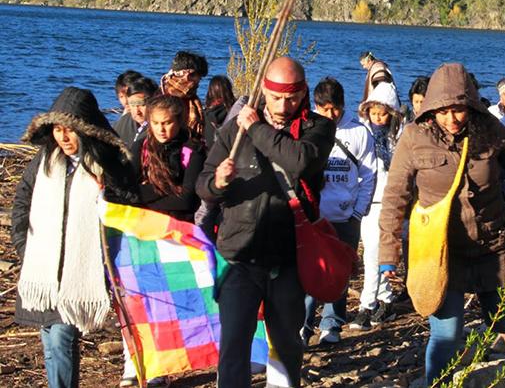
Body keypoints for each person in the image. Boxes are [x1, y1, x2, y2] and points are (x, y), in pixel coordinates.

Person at [378, 63, 505, 386]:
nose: (453, 119)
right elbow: (394, 197)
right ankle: (437, 383)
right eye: (444, 111)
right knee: (446, 335)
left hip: (493, 248)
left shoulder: (489, 128)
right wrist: (389, 253)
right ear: (432, 107)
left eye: (459, 110)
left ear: (471, 104)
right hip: (443, 253)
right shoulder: (414, 137)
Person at [196, 57, 334, 387]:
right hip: (238, 256)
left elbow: (298, 161)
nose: (284, 105)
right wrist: (218, 182)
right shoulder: (234, 129)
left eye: (292, 97)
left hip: (289, 257)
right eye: (276, 97)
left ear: (303, 92)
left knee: (287, 346)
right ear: (264, 91)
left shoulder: (319, 127)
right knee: (233, 348)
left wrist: (256, 126)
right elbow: (202, 185)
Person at [13, 87, 137, 388]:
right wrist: (25, 248)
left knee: (60, 338)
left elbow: (128, 207)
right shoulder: (45, 161)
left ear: (86, 130)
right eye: (57, 130)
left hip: (79, 272)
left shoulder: (107, 165)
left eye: (70, 130)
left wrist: (106, 190)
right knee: (51, 343)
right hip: (42, 270)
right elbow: (21, 203)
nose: (64, 137)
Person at [120, 94, 205, 386]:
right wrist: (162, 191)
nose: (161, 129)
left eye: (167, 123)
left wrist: (147, 191)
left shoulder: (192, 150)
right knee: (137, 299)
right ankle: (134, 363)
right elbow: (125, 190)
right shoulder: (141, 148)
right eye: (156, 123)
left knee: (166, 304)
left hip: (175, 236)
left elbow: (187, 199)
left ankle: (161, 368)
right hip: (141, 234)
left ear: (179, 121)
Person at [301, 77, 376, 345]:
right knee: (308, 271)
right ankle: (303, 324)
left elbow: (369, 175)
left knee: (339, 272)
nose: (331, 115)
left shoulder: (359, 132)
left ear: (344, 105)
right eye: (325, 109)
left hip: (346, 216)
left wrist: (358, 212)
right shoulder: (307, 128)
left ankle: (332, 323)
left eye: (336, 109)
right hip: (314, 215)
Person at [350, 82, 404, 330]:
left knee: (376, 253)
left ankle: (367, 304)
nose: (378, 118)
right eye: (374, 113)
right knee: (372, 252)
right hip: (366, 200)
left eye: (383, 114)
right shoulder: (362, 134)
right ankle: (384, 298)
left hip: (390, 200)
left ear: (392, 113)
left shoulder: (399, 137)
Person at [160, 51, 209, 141]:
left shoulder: (191, 98)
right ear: (188, 75)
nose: (199, 82)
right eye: (199, 77)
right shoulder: (162, 98)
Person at [114, 76, 157, 148]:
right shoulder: (122, 124)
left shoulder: (160, 129)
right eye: (132, 104)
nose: (137, 111)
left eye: (141, 104)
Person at [204, 75, 236, 151]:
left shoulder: (205, 115)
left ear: (210, 92)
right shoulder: (236, 111)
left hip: (210, 156)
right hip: (230, 154)